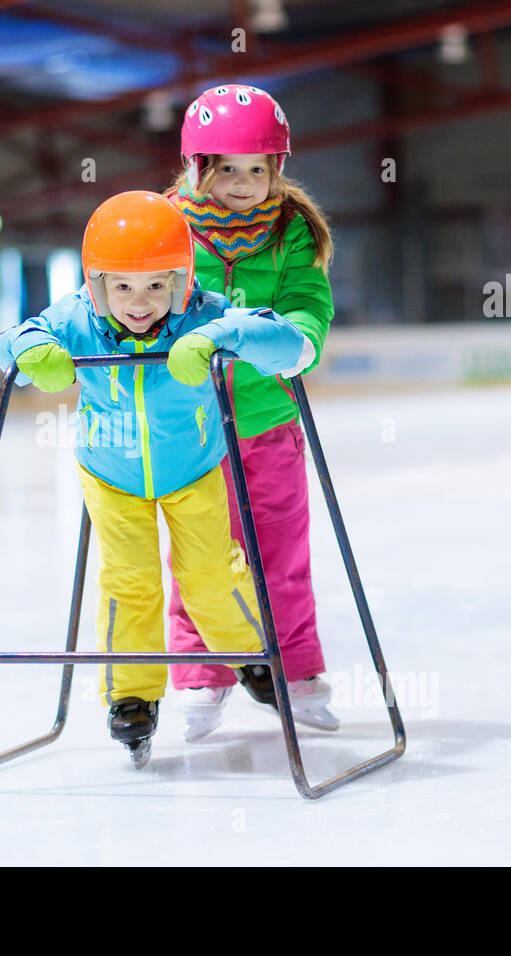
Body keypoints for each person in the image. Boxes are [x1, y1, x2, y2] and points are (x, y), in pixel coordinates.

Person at [0, 190, 312, 767]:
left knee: (211, 572)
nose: (140, 304)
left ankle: (251, 655)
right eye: (123, 287)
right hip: (111, 474)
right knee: (130, 580)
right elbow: (9, 341)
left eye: (156, 286)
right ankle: (132, 695)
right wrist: (33, 348)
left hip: (191, 469)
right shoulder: (75, 318)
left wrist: (218, 337)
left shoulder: (204, 313)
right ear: (97, 285)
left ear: (181, 280)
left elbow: (289, 345)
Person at [164, 84, 340, 742]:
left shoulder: (290, 230)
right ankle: (201, 674)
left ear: (277, 171)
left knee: (281, 554)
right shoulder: (168, 226)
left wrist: (298, 338)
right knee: (201, 556)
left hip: (268, 423)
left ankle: (296, 672)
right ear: (199, 167)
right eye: (228, 170)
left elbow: (307, 299)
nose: (243, 184)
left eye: (258, 170)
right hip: (191, 427)